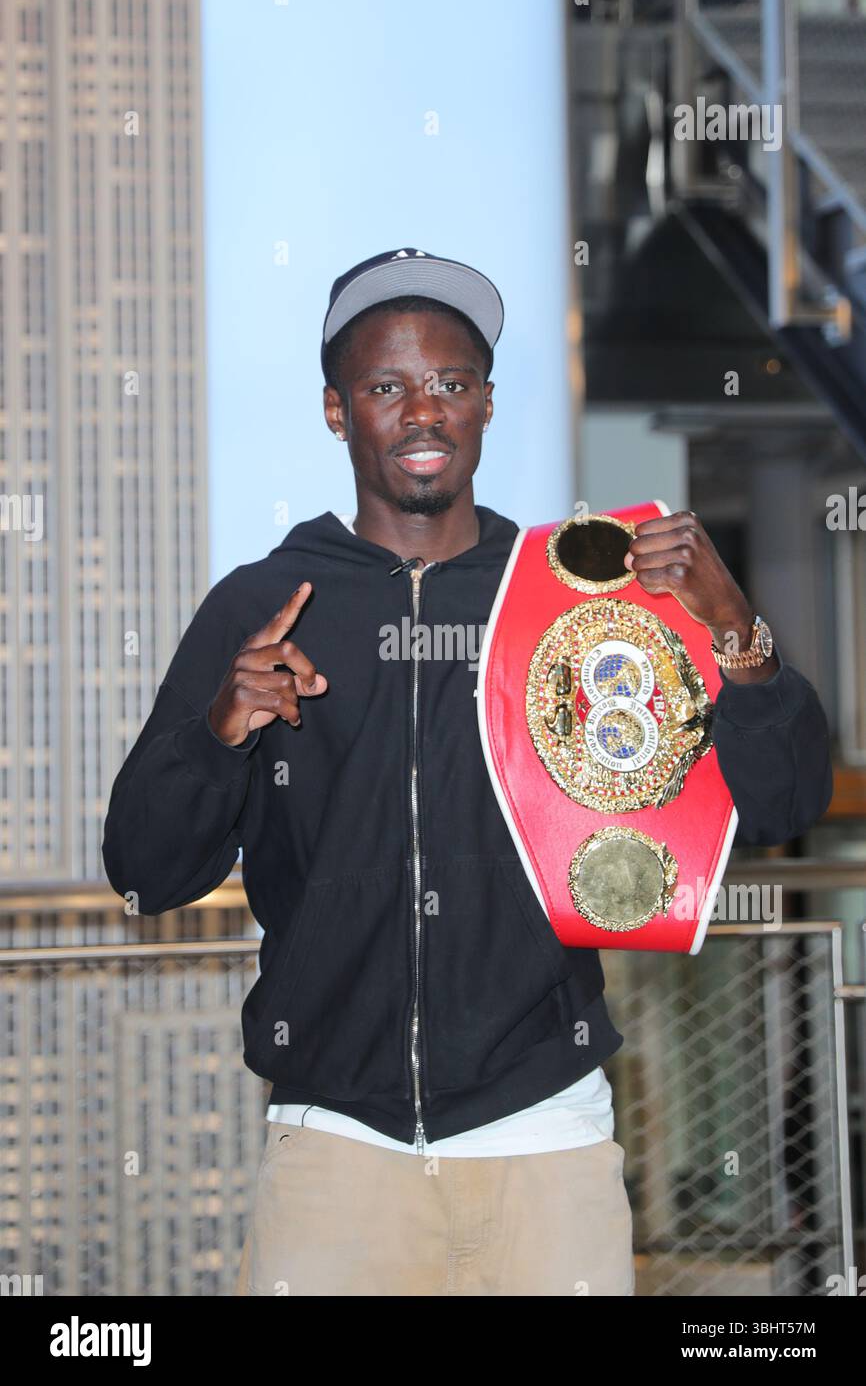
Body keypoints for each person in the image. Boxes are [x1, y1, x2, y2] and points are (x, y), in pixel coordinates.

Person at [102, 248, 833, 1297]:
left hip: (541, 1134)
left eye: (449, 383)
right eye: (384, 386)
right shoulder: (259, 603)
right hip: (332, 1146)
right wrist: (220, 731)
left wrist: (735, 631)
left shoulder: (577, 593)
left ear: (486, 403)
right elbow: (142, 870)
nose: (421, 411)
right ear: (333, 409)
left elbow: (784, 802)